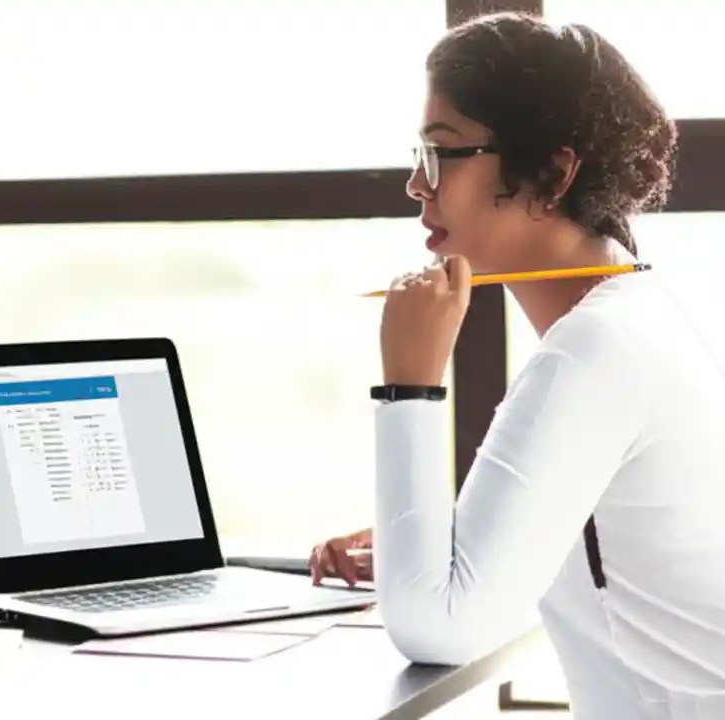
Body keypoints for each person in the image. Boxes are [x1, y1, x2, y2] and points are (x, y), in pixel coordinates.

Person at [308, 12, 725, 718]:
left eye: (442, 153)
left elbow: (439, 628)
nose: (416, 183)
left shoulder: (594, 351)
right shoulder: (642, 315)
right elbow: (604, 553)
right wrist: (436, 536)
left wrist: (409, 383)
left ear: (553, 173)